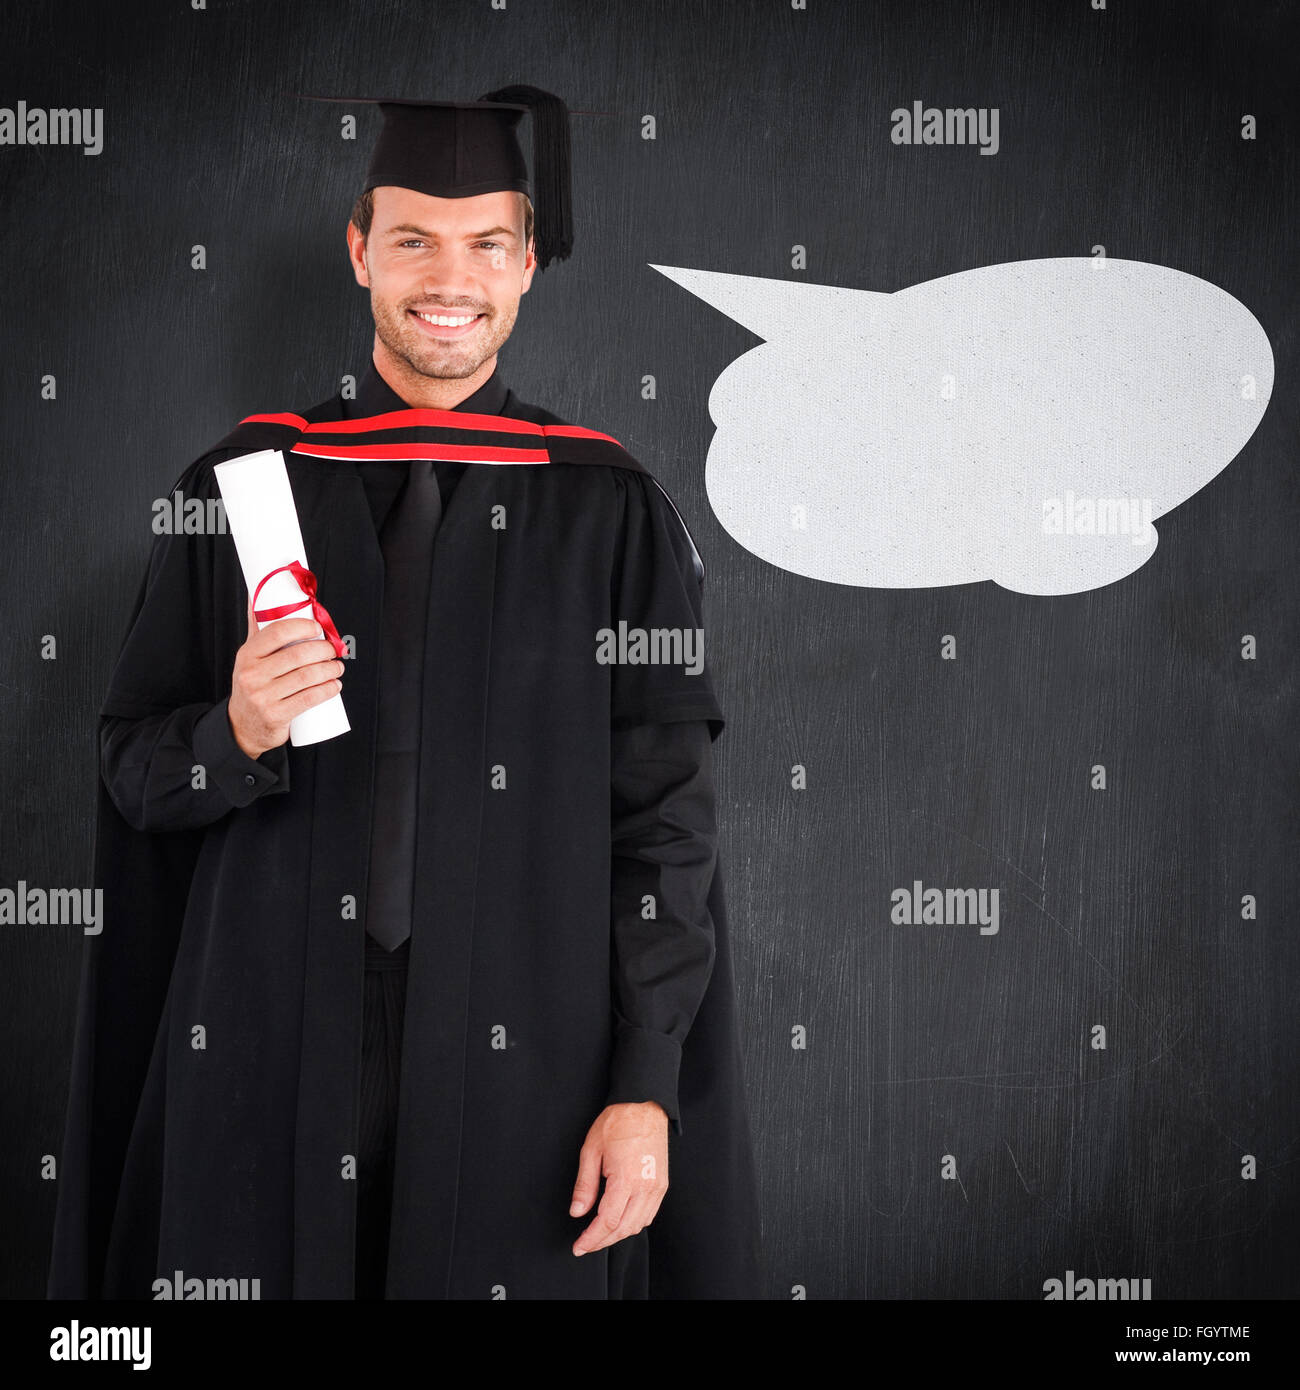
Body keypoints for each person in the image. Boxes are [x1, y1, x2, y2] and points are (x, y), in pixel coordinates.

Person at [48, 83, 761, 1300]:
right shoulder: (239, 487)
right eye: (415, 240)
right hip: (269, 1032)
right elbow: (129, 770)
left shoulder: (607, 509)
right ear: (359, 251)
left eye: (488, 243)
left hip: (526, 1048)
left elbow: (665, 823)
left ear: (529, 264)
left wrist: (644, 1082)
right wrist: (234, 731)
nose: (451, 278)